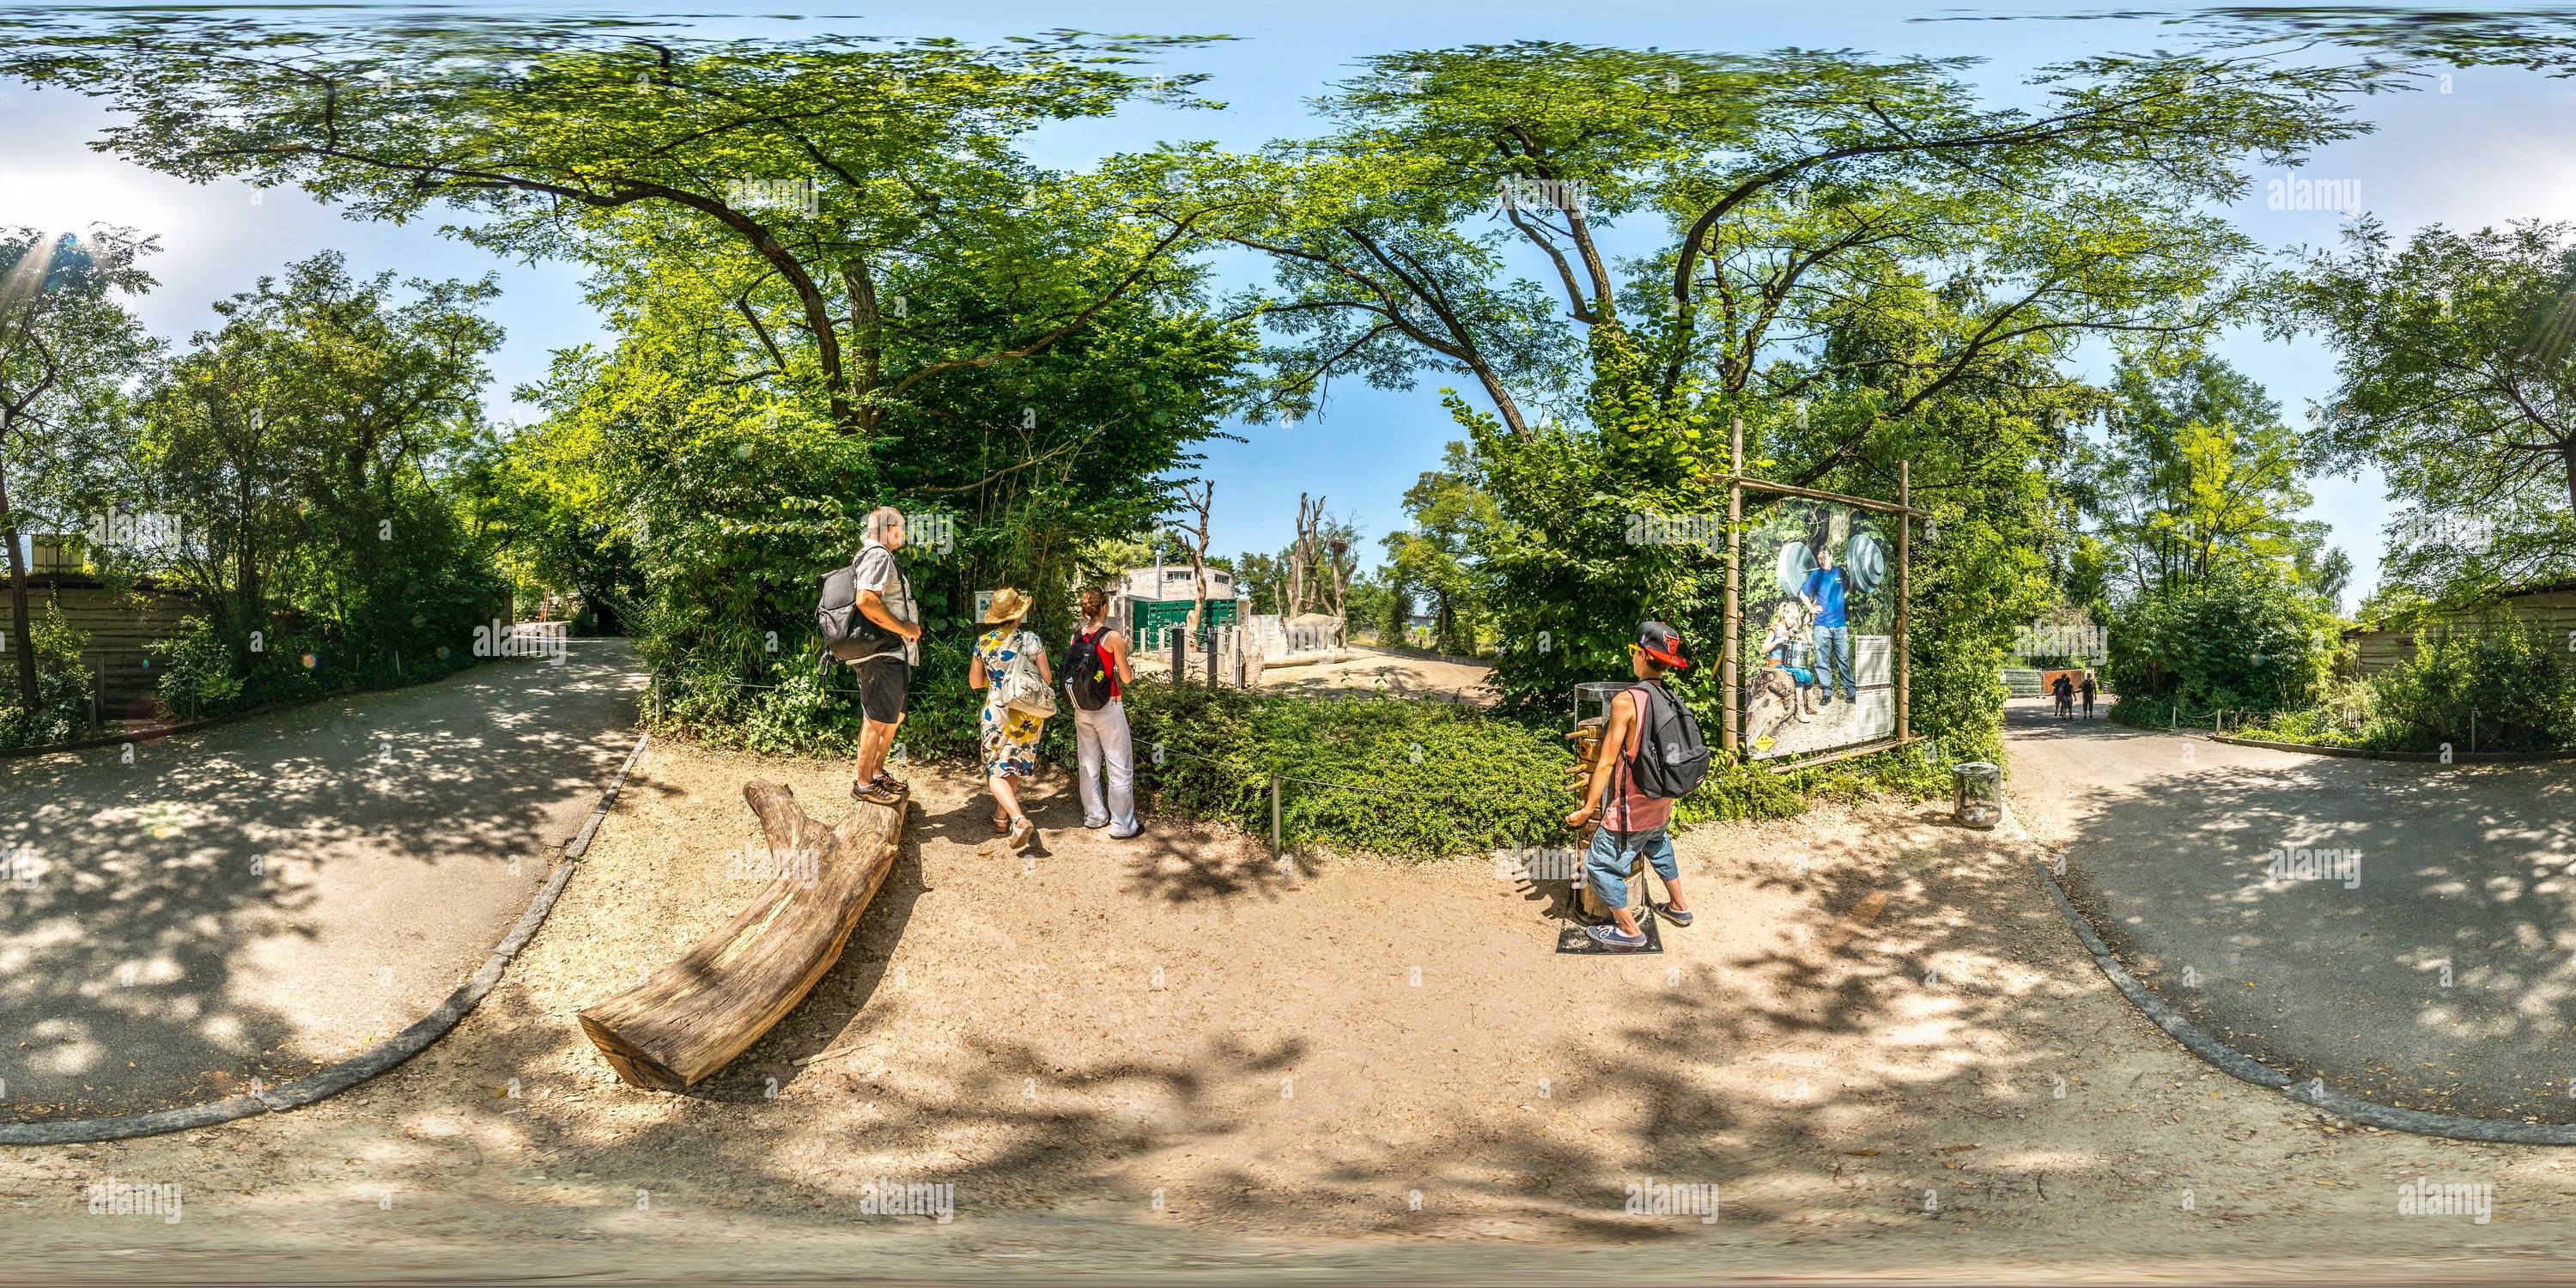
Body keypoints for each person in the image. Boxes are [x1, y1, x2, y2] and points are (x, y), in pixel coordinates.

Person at [1563, 621, 1698, 951]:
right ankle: (1680, 908)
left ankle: (1629, 930)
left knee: (1598, 864)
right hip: (1662, 803)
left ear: (1640, 654)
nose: (1633, 657)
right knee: (1658, 844)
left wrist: (1588, 808)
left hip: (1631, 809)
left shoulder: (1627, 700)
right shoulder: (1669, 695)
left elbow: (1606, 762)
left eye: (1634, 651)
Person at [847, 507, 921, 806]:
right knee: (876, 719)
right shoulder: (878, 555)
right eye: (901, 527)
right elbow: (865, 599)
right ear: (889, 529)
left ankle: (876, 773)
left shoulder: (880, 556)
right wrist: (904, 627)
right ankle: (863, 783)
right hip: (883, 652)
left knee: (893, 716)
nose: (903, 534)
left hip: (895, 652)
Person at [969, 587, 1053, 851]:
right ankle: (1001, 818)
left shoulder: (983, 643)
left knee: (995, 769)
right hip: (1028, 713)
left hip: (997, 711)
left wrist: (997, 682)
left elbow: (974, 683)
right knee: (1013, 763)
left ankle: (1017, 818)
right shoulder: (1032, 640)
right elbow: (1047, 679)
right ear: (1018, 615)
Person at [1063, 586, 1141, 839]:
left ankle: (1094, 816)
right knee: (1119, 766)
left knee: (1088, 764)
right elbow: (1127, 678)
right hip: (1108, 707)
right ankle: (1122, 825)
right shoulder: (1112, 637)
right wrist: (1124, 650)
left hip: (1081, 708)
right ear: (1105, 607)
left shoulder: (1076, 637)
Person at [1798, 544, 1856, 707]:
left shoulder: (1840, 572)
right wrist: (1811, 608)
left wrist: (1854, 573)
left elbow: (1851, 589)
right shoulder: (1816, 575)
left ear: (1831, 556)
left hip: (1839, 625)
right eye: (1820, 558)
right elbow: (1802, 594)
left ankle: (1851, 692)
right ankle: (1827, 693)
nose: (1823, 560)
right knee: (1822, 661)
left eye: (1825, 557)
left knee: (1843, 659)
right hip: (1821, 625)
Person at [1759, 601, 1820, 724]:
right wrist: (1778, 641)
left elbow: (1799, 641)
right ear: (1784, 614)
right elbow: (1763, 650)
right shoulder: (1775, 628)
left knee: (1808, 674)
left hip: (1785, 664)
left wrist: (1804, 639)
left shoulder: (1791, 630)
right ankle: (1799, 711)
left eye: (1795, 618)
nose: (1793, 621)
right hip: (1775, 665)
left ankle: (1811, 706)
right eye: (1792, 617)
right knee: (1799, 673)